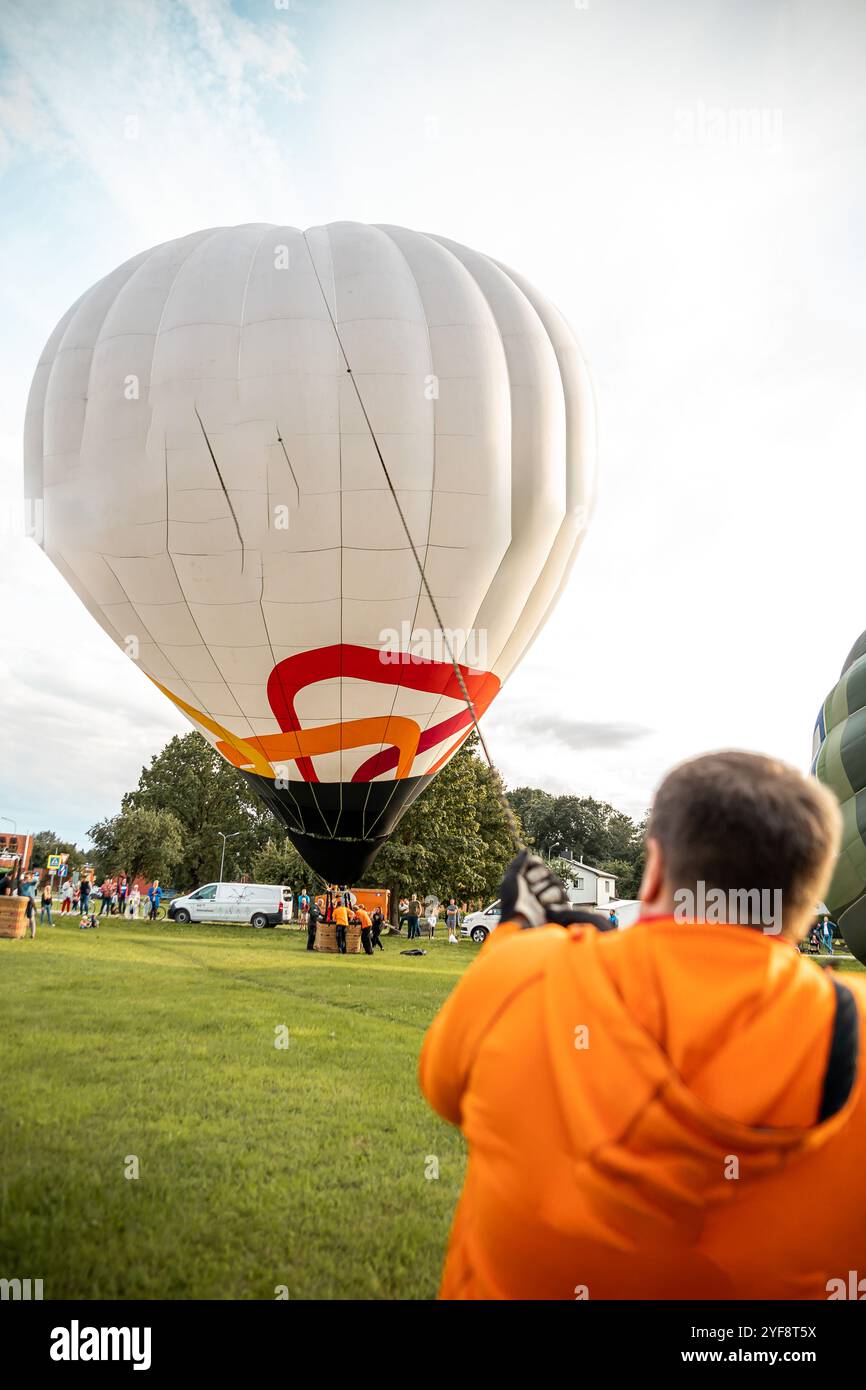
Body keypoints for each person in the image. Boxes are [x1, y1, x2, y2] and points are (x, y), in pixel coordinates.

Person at [420, 750, 866, 1301]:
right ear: (805, 895)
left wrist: (519, 937)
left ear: (653, 869)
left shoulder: (521, 973)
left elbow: (442, 1092)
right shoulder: (855, 1023)